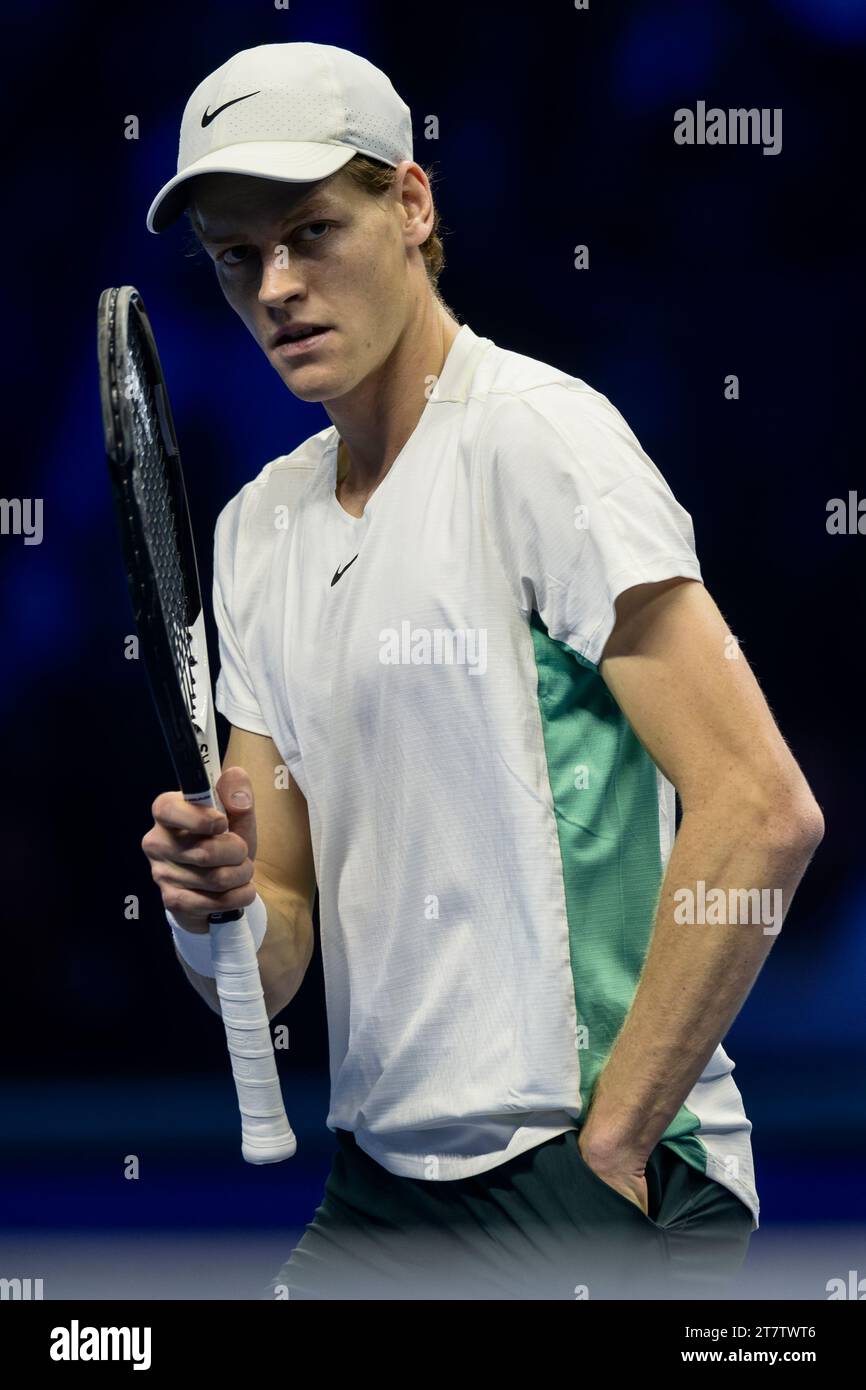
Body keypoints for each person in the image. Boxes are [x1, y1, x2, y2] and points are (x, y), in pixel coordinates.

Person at [141, 42, 824, 1300]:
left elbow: (760, 808)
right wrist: (215, 902)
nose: (277, 286)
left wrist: (611, 1146)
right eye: (239, 257)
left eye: (310, 231)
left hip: (590, 1167)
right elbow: (276, 942)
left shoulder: (540, 443)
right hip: (382, 1187)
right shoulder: (257, 530)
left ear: (410, 205)